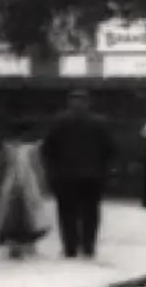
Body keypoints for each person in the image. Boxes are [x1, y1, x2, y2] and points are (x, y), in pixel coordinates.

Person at [41, 90, 115, 259]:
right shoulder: (98, 123)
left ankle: (70, 247)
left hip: (66, 176)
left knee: (67, 212)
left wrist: (53, 170)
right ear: (88, 103)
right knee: (90, 213)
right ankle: (88, 246)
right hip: (92, 176)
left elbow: (48, 149)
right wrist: (104, 169)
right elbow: (110, 149)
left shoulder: (60, 122)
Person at [0, 137, 50, 258]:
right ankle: (25, 244)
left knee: (14, 214)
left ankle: (17, 244)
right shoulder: (29, 150)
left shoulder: (10, 150)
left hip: (14, 186)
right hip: (25, 186)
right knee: (26, 214)